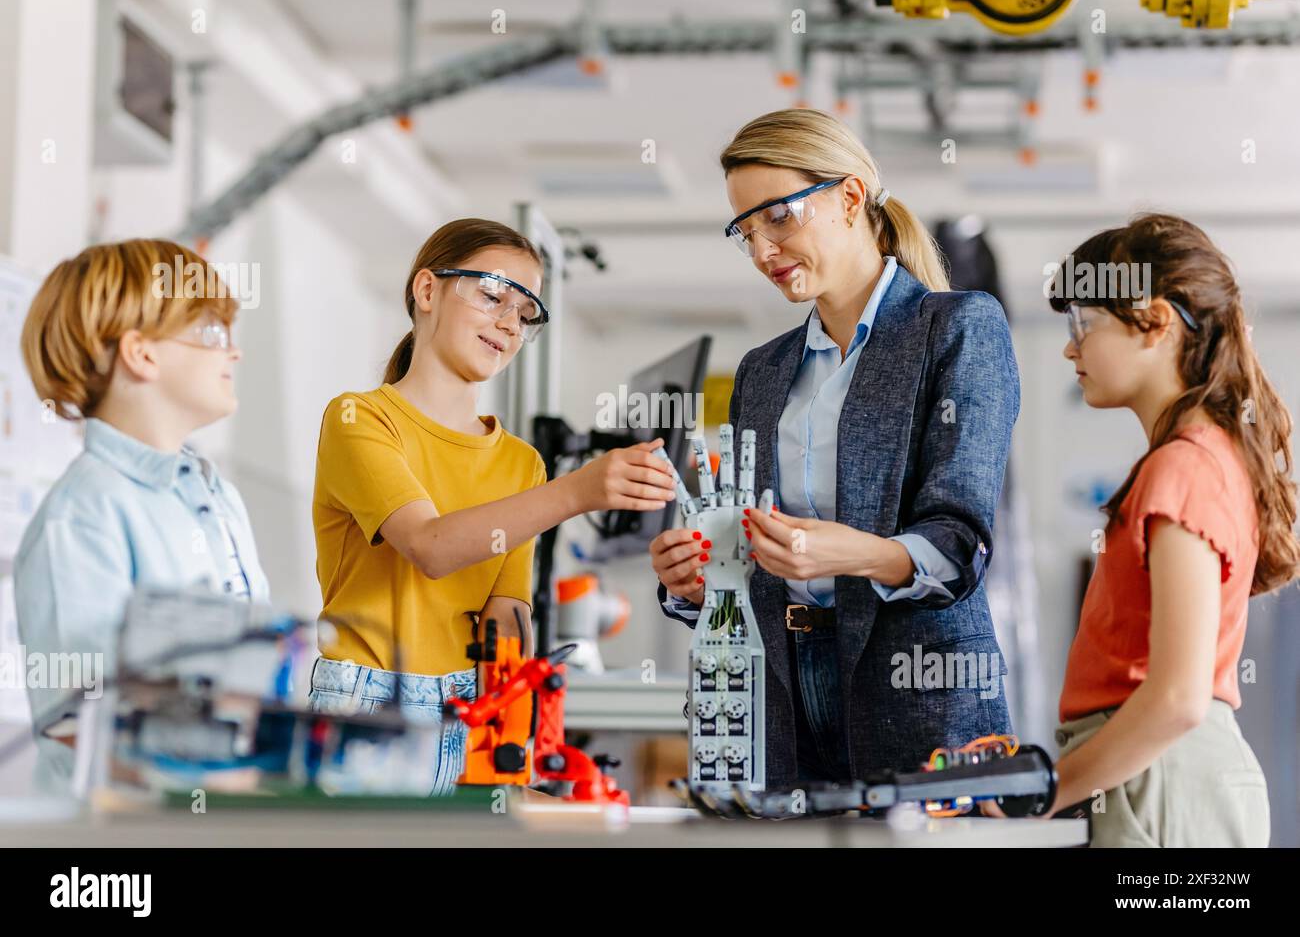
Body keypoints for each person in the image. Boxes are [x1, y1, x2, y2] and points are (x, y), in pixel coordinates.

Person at [650, 109, 1019, 788]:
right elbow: (754, 559)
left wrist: (842, 551)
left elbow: (960, 546)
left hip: (916, 687)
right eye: (747, 231)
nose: (763, 250)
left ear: (850, 197)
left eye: (779, 218)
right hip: (779, 691)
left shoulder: (956, 328)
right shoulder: (763, 370)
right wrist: (701, 584)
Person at [310, 218, 676, 794]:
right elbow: (430, 547)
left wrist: (514, 731)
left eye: (525, 312)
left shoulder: (521, 464)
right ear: (427, 291)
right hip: (368, 702)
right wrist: (577, 491)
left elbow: (505, 615)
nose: (510, 323)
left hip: (466, 710)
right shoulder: (360, 418)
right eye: (491, 295)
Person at [991, 213, 1297, 845]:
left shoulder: (1181, 466)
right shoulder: (1204, 458)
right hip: (1161, 772)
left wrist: (1049, 793)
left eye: (1083, 323)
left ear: (1155, 322)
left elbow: (1179, 698)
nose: (1070, 347)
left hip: (1163, 775)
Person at [15, 239, 268, 794]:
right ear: (142, 354)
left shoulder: (218, 497)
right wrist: (225, 782)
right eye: (212, 332)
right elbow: (75, 721)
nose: (234, 352)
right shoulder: (82, 514)